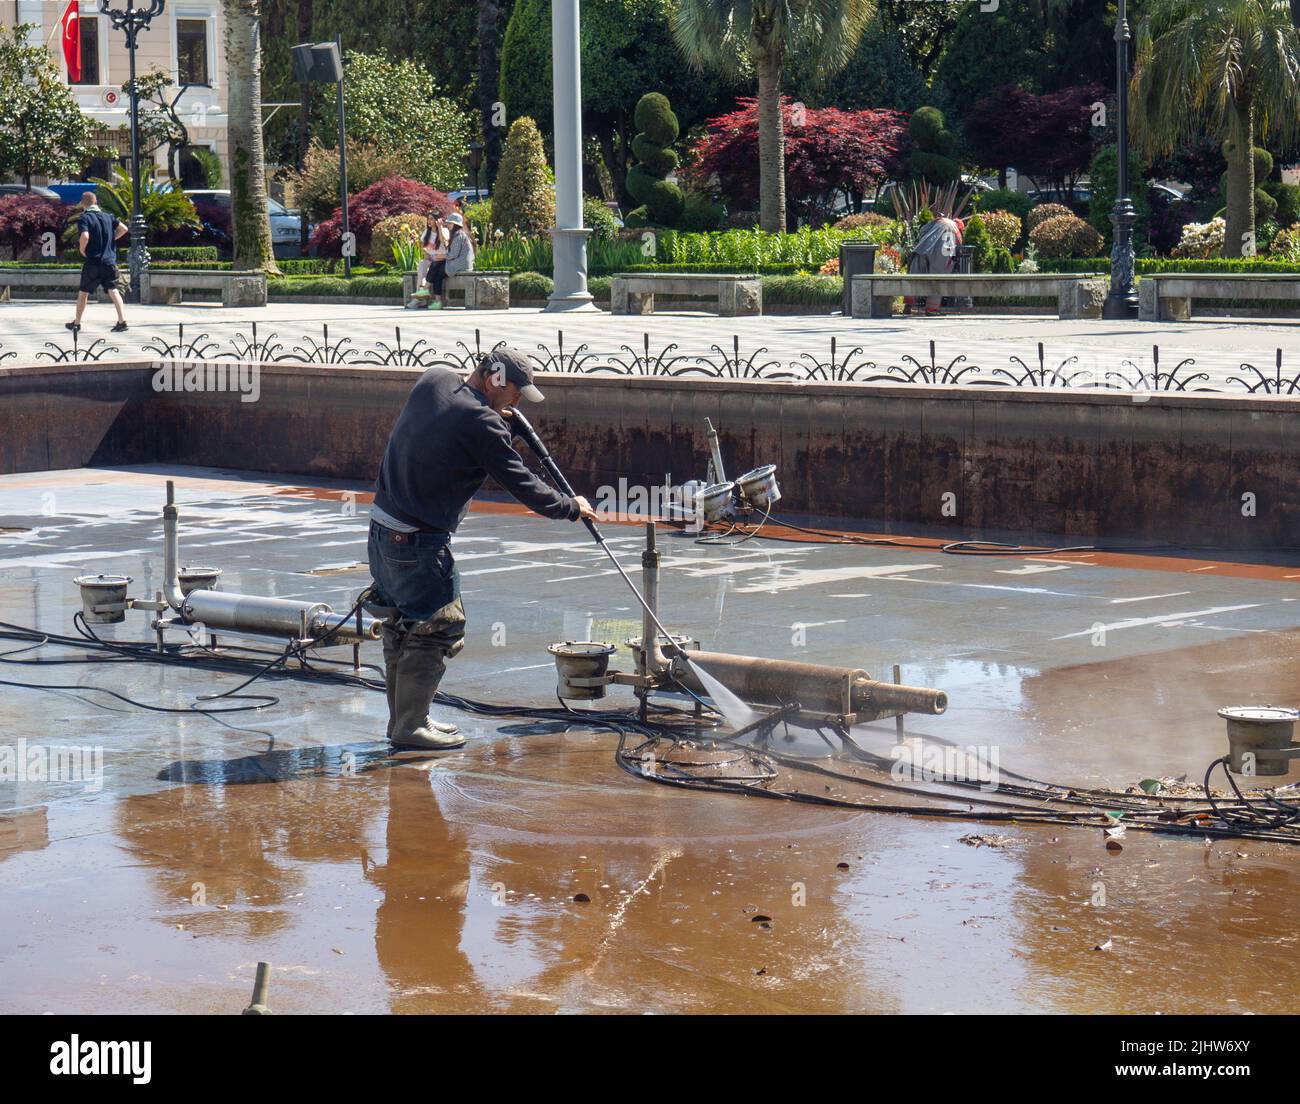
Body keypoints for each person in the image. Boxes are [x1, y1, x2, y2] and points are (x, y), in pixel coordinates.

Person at [365, 347, 597, 751]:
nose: (518, 402)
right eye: (516, 393)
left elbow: (447, 418)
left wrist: (493, 417)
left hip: (382, 532)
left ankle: (401, 722)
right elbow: (522, 483)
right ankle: (410, 725)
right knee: (439, 625)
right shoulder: (481, 424)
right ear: (495, 379)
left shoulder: (434, 378)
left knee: (402, 624)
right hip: (419, 543)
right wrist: (570, 507)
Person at [67, 191, 129, 334]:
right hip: (109, 261)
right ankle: (122, 321)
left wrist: (82, 249)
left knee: (84, 292)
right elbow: (124, 229)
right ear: (95, 202)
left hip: (93, 262)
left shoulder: (85, 218)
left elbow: (85, 235)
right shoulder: (109, 217)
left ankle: (77, 323)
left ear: (83, 204)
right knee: (113, 290)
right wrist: (112, 239)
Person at [905, 215, 963, 317]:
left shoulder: (939, 221)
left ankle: (908, 305)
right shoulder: (955, 229)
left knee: (915, 275)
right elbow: (957, 245)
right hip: (942, 252)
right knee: (938, 277)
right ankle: (932, 309)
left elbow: (923, 229)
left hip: (923, 247)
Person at [427, 211, 474, 308]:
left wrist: (441, 256)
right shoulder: (459, 234)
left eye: (449, 223)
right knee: (437, 268)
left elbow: (453, 254)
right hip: (459, 263)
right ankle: (434, 299)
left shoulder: (458, 235)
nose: (447, 225)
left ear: (455, 224)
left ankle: (429, 293)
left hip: (460, 264)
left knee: (436, 268)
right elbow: (449, 249)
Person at [415, 216, 446, 308]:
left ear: (437, 220)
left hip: (442, 259)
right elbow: (423, 247)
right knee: (422, 264)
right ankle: (420, 298)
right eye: (428, 219)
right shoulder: (426, 232)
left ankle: (423, 291)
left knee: (435, 265)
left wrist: (440, 227)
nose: (429, 221)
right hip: (430, 259)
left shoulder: (444, 231)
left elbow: (445, 243)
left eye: (432, 219)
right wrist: (427, 255)